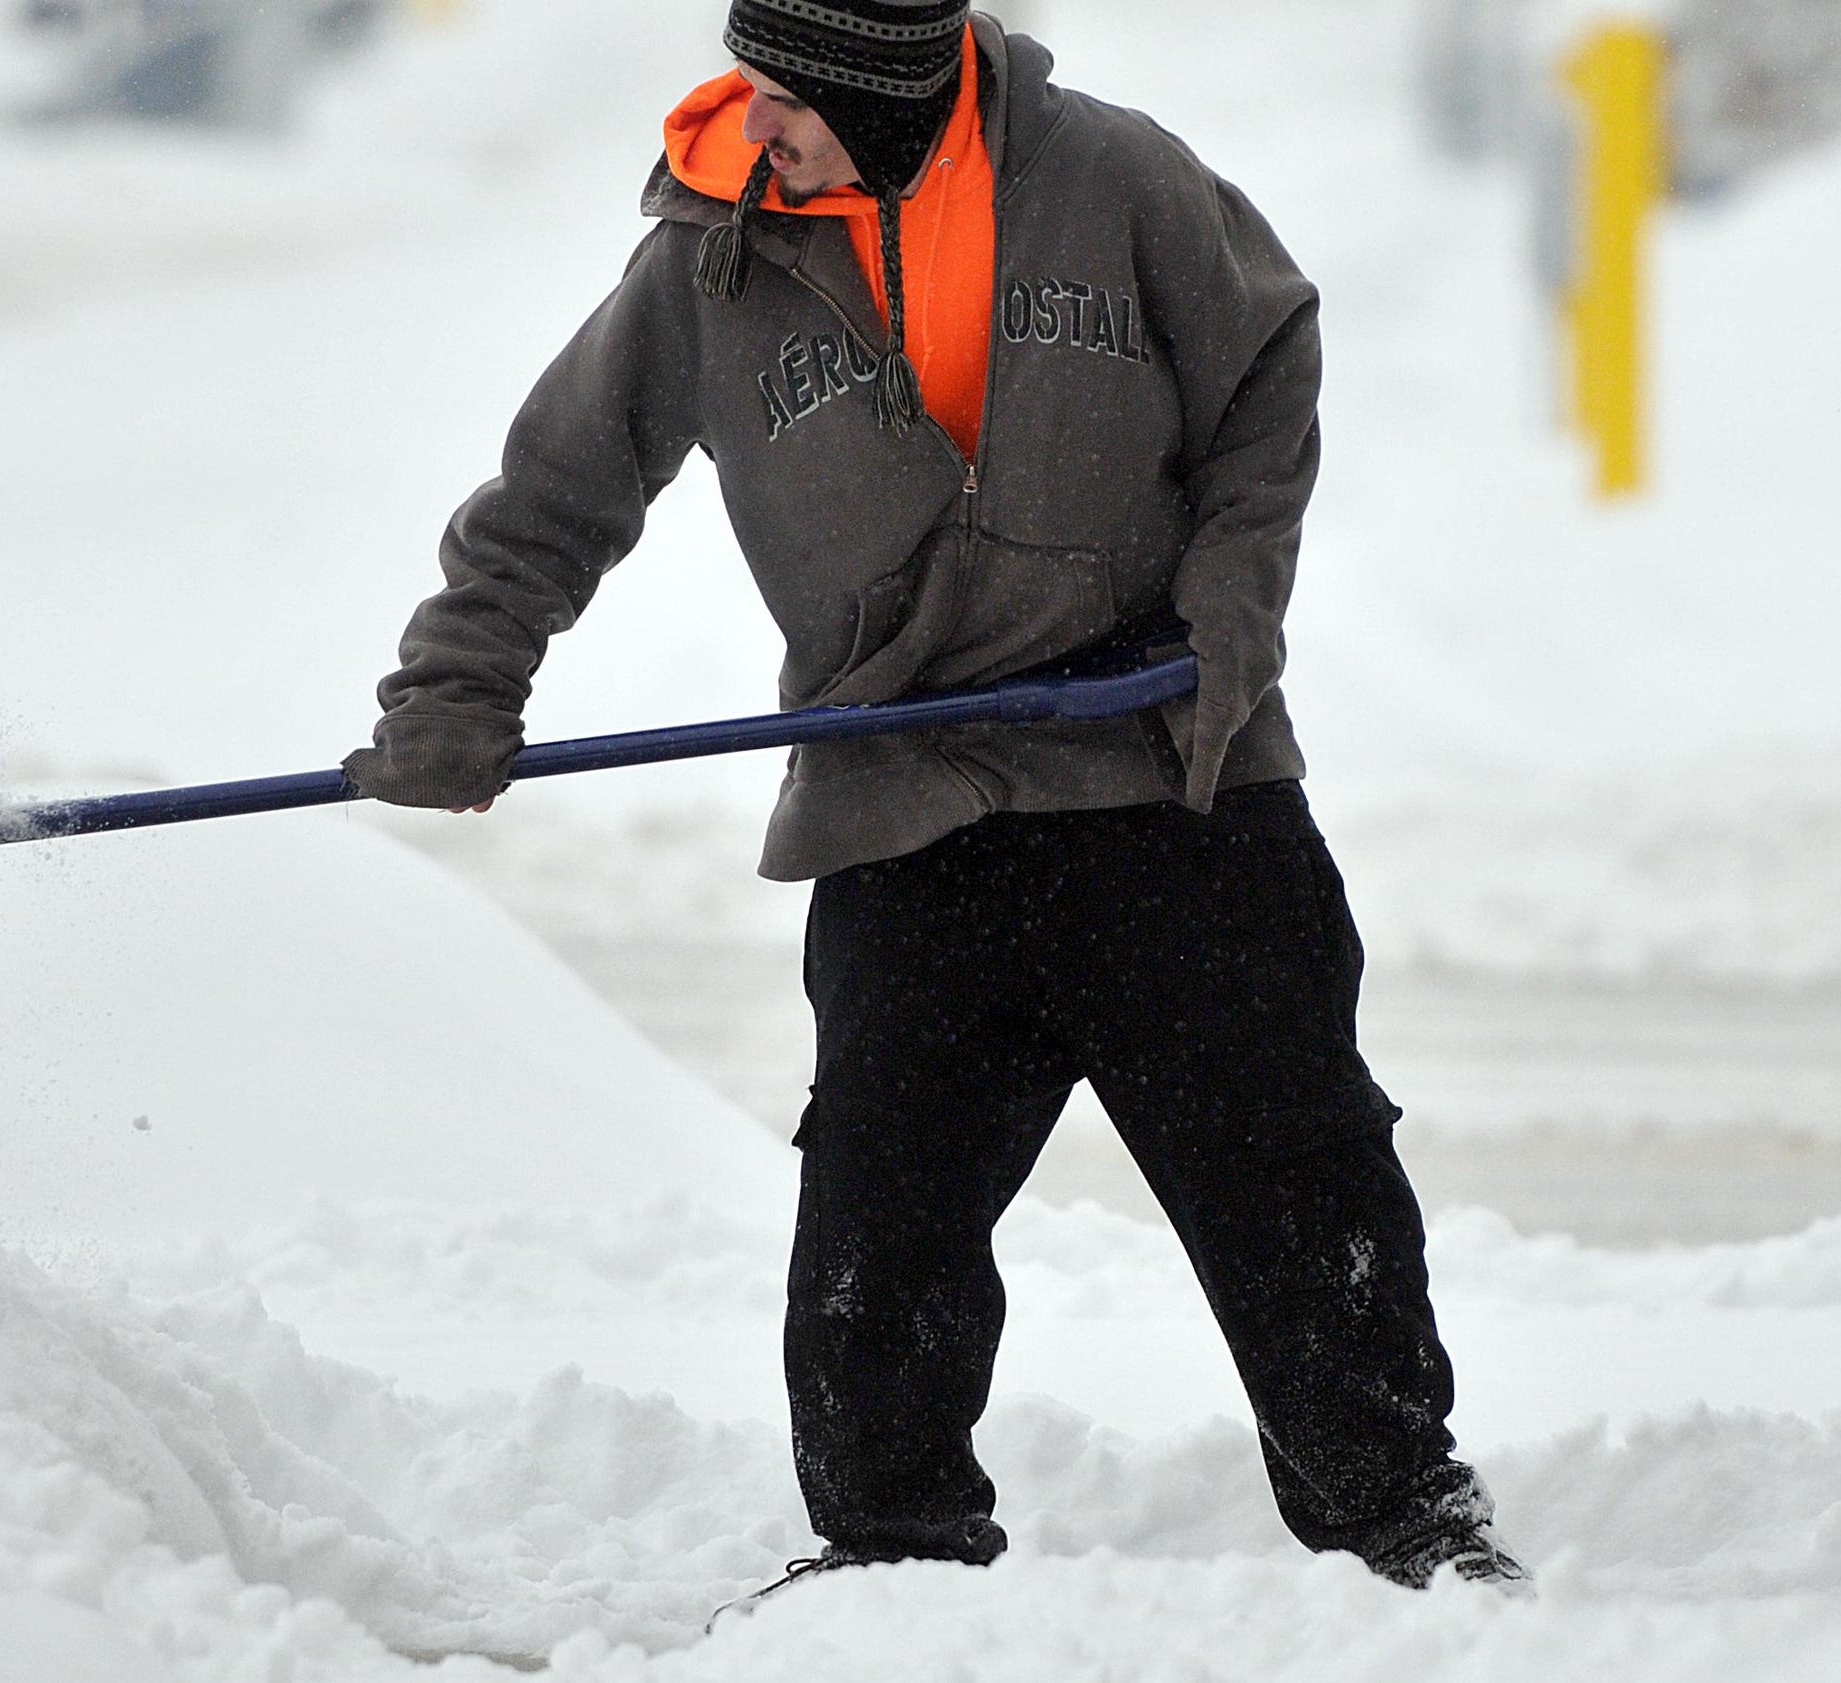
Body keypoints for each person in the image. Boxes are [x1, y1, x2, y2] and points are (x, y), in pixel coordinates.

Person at [343, 0, 1525, 1599]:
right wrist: (457, 691)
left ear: (883, 89)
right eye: (745, 86)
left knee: (1296, 1171)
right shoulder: (716, 252)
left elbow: (1263, 370)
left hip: (1164, 772)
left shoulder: (1114, 178)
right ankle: (889, 1553)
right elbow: (555, 488)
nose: (754, 124)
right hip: (905, 799)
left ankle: (1405, 1520)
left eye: (788, 98)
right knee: (877, 1219)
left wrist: (1229, 617)